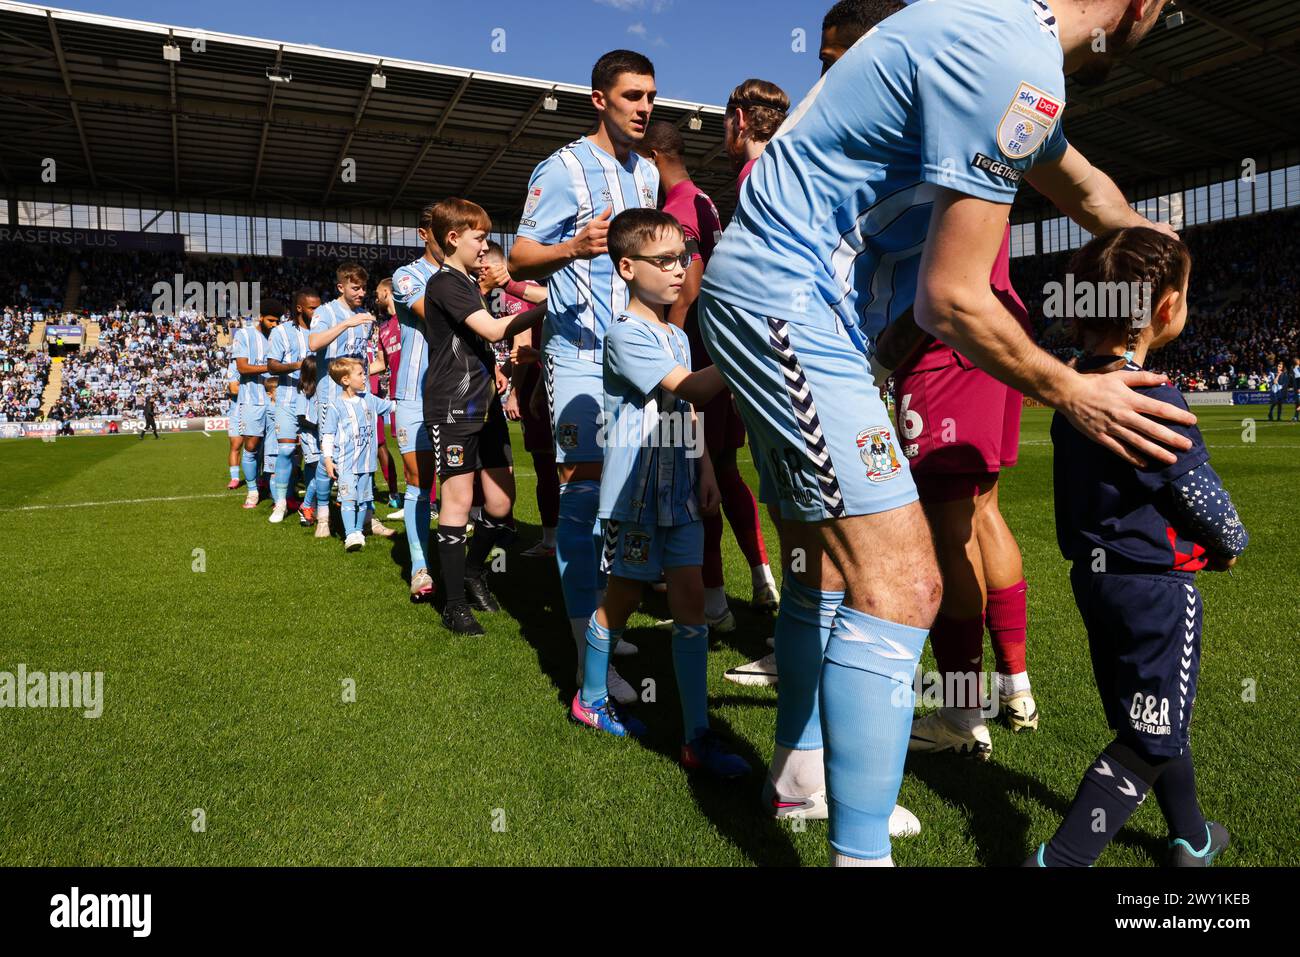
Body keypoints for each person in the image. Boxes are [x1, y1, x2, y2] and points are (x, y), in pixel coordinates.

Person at [697, 0, 1193, 866]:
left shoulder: (991, 35)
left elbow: (1089, 192)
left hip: (790, 302)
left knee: (824, 561)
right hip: (792, 301)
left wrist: (1164, 259)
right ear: (1141, 5)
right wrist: (1073, 389)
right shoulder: (1015, 57)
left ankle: (803, 774)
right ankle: (859, 857)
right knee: (901, 580)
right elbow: (951, 300)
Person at [1030, 227, 1245, 867]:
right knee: (1148, 738)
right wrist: (1231, 543)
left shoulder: (1074, 394)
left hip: (1097, 584)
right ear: (1164, 308)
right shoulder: (1151, 395)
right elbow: (1202, 498)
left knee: (1153, 718)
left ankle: (1191, 837)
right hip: (1154, 592)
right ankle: (1060, 860)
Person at [572, 207, 750, 778]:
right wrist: (746, 353)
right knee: (621, 599)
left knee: (691, 612)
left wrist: (702, 471)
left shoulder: (675, 333)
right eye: (665, 260)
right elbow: (692, 385)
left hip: (679, 497)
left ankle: (696, 736)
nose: (679, 271)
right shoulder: (626, 335)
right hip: (637, 500)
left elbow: (688, 408)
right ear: (626, 267)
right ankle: (590, 699)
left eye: (683, 259)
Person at [509, 49, 660, 703]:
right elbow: (518, 255)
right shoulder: (564, 168)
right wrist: (573, 247)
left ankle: (603, 616)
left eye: (651, 96)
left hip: (632, 357)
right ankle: (584, 655)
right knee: (583, 496)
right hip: (576, 355)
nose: (645, 107)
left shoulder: (649, 173)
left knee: (625, 502)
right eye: (632, 96)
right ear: (599, 98)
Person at [638, 120, 778, 637]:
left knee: (699, 478)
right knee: (723, 468)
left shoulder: (678, 210)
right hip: (718, 355)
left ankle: (714, 601)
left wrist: (664, 344)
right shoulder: (704, 199)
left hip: (695, 359)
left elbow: (689, 288)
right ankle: (762, 577)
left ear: (654, 157)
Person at [423, 198, 546, 634]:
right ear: (454, 238)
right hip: (452, 408)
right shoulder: (444, 283)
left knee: (501, 503)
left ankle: (474, 571)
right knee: (457, 503)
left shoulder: (467, 284)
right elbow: (494, 330)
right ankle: (453, 603)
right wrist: (551, 306)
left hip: (484, 406)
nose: (485, 246)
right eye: (479, 237)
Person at [713, 78, 790, 687]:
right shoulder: (796, 165)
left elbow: (771, 277)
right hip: (809, 356)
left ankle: (797, 644)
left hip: (784, 359)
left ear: (739, 119)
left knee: (795, 509)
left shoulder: (757, 176)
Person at [391, 206, 445, 600]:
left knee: (466, 485)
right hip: (415, 393)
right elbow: (440, 317)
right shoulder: (407, 276)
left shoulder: (466, 277)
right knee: (419, 482)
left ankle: (466, 566)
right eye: (444, 232)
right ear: (424, 234)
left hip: (460, 393)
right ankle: (420, 566)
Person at [308, 264, 381, 539]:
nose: (362, 293)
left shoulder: (365, 315)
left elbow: (364, 359)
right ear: (341, 287)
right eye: (356, 288)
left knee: (365, 457)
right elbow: (314, 344)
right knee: (331, 459)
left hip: (361, 399)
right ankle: (324, 517)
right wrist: (345, 324)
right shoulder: (326, 312)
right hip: (331, 398)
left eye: (364, 288)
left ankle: (368, 517)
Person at [321, 358, 394, 552]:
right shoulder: (336, 406)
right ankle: (350, 533)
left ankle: (359, 531)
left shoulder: (369, 399)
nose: (365, 377)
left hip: (366, 464)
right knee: (348, 499)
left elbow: (391, 407)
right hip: (345, 463)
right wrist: (328, 459)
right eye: (361, 374)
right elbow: (328, 435)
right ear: (346, 380)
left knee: (364, 499)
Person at [266, 289, 319, 523]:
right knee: (287, 450)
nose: (316, 312)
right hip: (288, 399)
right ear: (299, 308)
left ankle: (309, 504)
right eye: (312, 308)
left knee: (313, 456)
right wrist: (299, 365)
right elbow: (271, 366)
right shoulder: (281, 332)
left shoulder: (322, 331)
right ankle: (279, 503)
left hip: (314, 401)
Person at [232, 301, 282, 509]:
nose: (274, 324)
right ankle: (253, 491)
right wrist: (271, 367)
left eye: (278, 321)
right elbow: (242, 367)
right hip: (252, 400)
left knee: (274, 450)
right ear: (261, 317)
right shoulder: (244, 335)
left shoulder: (279, 336)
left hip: (275, 401)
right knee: (251, 446)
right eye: (271, 320)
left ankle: (273, 490)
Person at [375, 279, 405, 512]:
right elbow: (381, 363)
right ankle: (418, 501)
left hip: (417, 393)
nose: (375, 297)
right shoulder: (383, 328)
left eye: (377, 293)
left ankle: (433, 503)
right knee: (406, 450)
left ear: (387, 292)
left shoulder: (410, 319)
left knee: (424, 451)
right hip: (395, 396)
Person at [295, 354, 323, 529]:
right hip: (309, 438)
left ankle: (315, 507)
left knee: (315, 474)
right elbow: (300, 419)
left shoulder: (321, 388)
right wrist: (317, 426)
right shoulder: (302, 391)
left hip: (319, 437)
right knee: (322, 472)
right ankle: (306, 505)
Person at [224, 359, 243, 489]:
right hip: (237, 411)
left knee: (256, 448)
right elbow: (234, 389)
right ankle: (235, 478)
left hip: (256, 409)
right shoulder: (234, 364)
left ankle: (260, 479)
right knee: (235, 445)